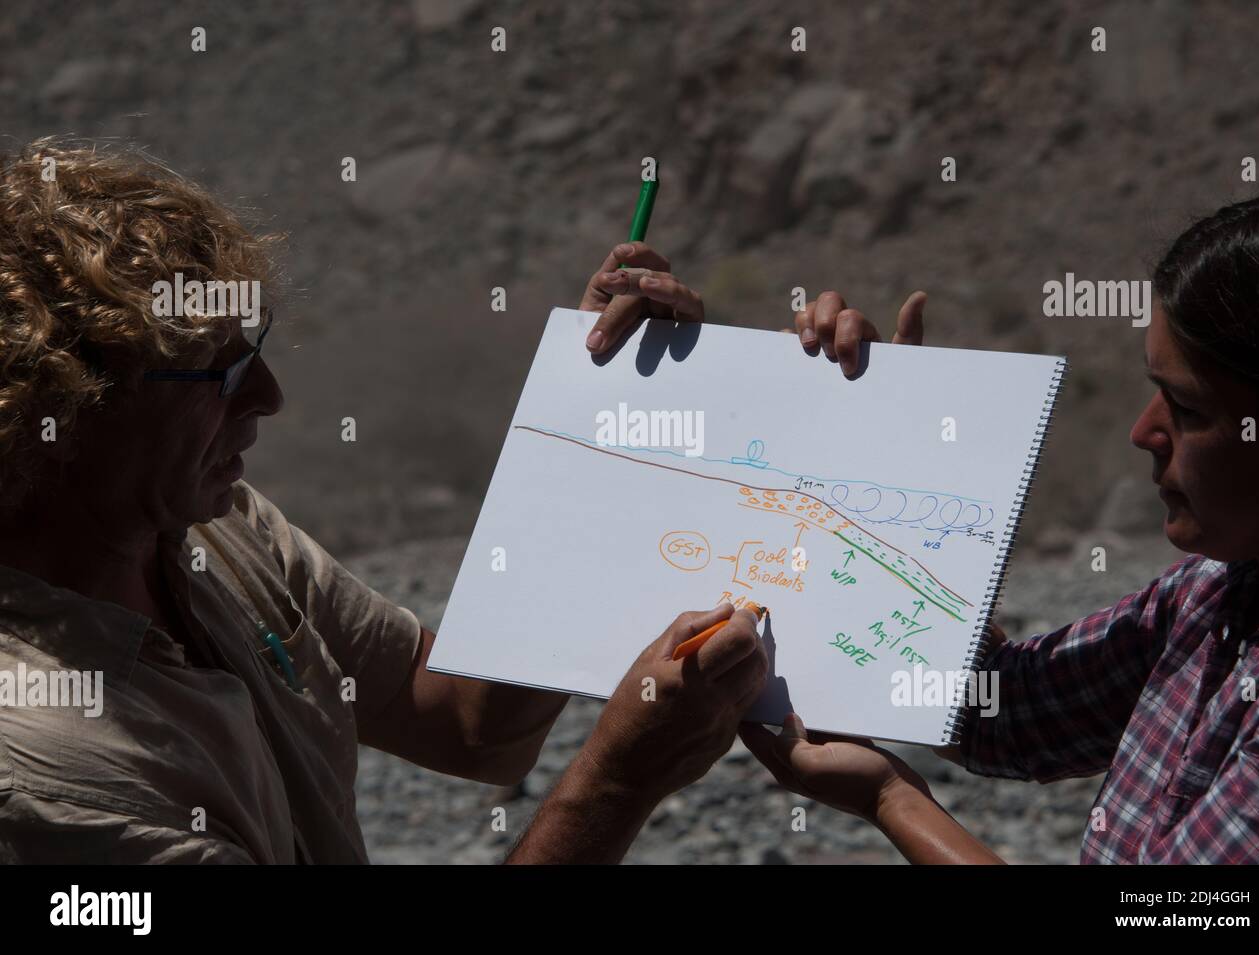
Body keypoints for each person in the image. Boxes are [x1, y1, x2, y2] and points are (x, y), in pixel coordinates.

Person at [0, 137, 768, 863]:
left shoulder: (224, 533)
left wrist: (597, 427)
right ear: (64, 408)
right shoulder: (45, 772)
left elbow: (468, 721)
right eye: (217, 372)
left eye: (253, 352)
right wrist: (615, 784)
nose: (268, 396)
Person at [742, 183, 1259, 864]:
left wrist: (892, 798)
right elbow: (1002, 713)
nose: (1143, 431)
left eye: (1186, 408)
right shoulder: (1210, 596)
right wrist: (879, 472)